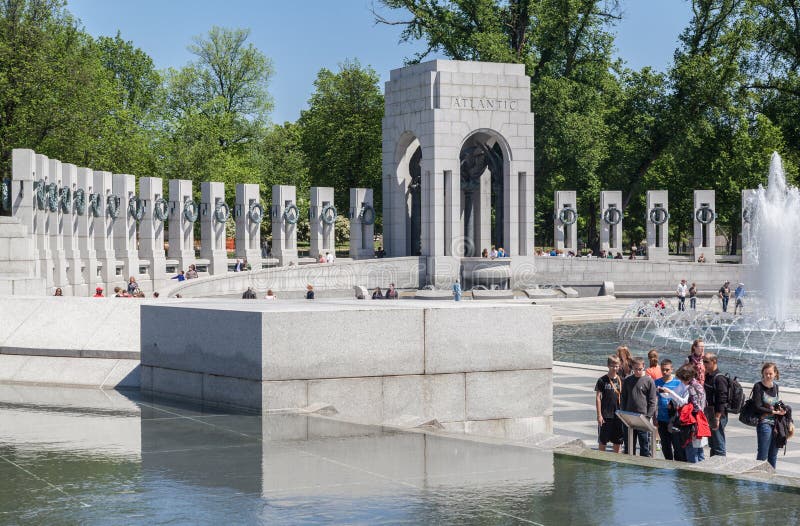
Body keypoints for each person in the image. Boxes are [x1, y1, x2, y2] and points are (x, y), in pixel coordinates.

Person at [658, 365, 708, 463]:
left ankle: (692, 474)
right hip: (695, 420)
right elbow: (675, 395)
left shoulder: (692, 387)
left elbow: (683, 401)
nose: (680, 381)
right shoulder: (687, 384)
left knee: (692, 450)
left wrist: (670, 392)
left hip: (693, 422)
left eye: (681, 379)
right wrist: (664, 392)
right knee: (698, 449)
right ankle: (701, 473)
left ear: (687, 378)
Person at [620, 357, 658, 457]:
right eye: (635, 369)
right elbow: (623, 398)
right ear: (632, 367)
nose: (637, 371)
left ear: (644, 367)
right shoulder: (628, 380)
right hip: (629, 418)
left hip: (643, 418)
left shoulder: (649, 381)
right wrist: (623, 414)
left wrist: (648, 416)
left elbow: (652, 401)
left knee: (644, 446)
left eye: (640, 369)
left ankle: (644, 468)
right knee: (629, 446)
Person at [753, 362, 787, 468]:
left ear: (775, 374)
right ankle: (758, 477)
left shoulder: (776, 387)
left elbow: (775, 403)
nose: (768, 376)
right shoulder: (758, 386)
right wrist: (773, 412)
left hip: (776, 424)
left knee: (773, 454)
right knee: (763, 453)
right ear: (762, 373)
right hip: (764, 423)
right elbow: (757, 407)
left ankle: (771, 479)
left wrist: (781, 409)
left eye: (770, 374)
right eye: (766, 373)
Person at [654, 359, 686, 461]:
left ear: (672, 369)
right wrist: (654, 417)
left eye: (667, 370)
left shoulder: (678, 383)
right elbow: (654, 400)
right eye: (663, 370)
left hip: (675, 420)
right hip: (662, 419)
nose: (664, 372)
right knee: (665, 445)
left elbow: (682, 400)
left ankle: (677, 466)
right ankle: (668, 463)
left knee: (677, 445)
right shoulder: (657, 382)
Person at [595, 355, 624, 453]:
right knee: (603, 441)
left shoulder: (621, 380)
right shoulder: (602, 380)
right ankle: (601, 460)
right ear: (608, 365)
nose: (615, 368)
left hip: (619, 415)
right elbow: (598, 397)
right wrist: (599, 415)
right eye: (612, 366)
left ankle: (617, 461)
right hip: (606, 415)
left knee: (618, 441)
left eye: (617, 366)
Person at [703, 353, 729, 457]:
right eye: (703, 361)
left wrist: (717, 418)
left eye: (706, 362)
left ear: (714, 362)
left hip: (718, 415)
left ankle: (720, 469)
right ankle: (712, 466)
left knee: (719, 445)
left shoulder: (719, 378)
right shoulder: (708, 375)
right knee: (713, 444)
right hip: (710, 413)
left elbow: (722, 400)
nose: (704, 364)